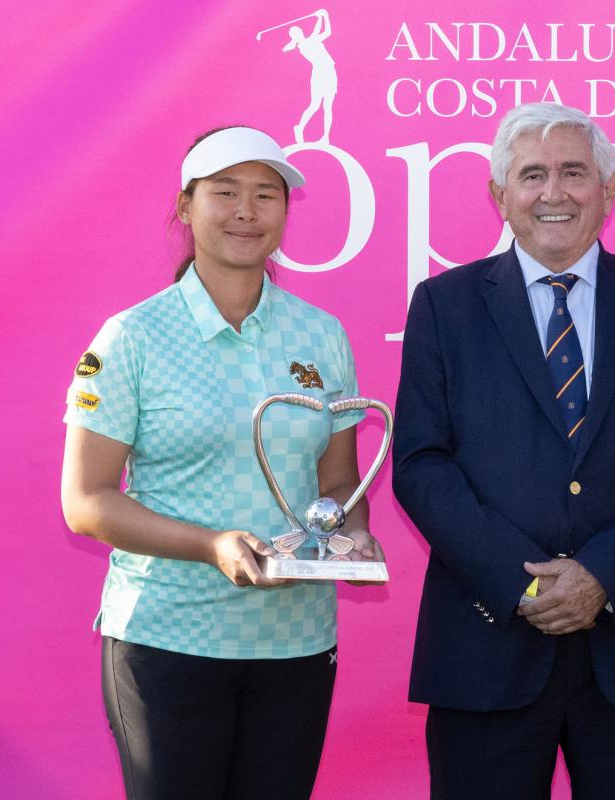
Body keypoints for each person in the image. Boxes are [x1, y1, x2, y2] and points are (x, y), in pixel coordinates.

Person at [392, 103, 615, 799]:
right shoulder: (441, 306)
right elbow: (421, 466)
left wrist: (601, 574)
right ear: (499, 195)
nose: (554, 193)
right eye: (532, 175)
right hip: (486, 643)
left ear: (609, 187)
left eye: (574, 172)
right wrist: (528, 584)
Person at [60, 125, 384, 800]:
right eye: (225, 192)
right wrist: (211, 546)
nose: (246, 211)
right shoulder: (132, 337)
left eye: (266, 194)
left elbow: (338, 481)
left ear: (286, 214)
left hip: (294, 643)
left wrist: (352, 532)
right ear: (185, 207)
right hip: (167, 639)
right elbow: (86, 501)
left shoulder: (321, 334)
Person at [282, 9, 337, 144]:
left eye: (299, 31)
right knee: (315, 105)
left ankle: (325, 137)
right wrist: (324, 16)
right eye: (295, 33)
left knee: (328, 106)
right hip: (320, 74)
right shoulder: (305, 44)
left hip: (330, 72)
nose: (299, 33)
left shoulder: (309, 40)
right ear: (294, 37)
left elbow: (321, 32)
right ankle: (299, 128)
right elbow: (323, 32)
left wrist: (322, 17)